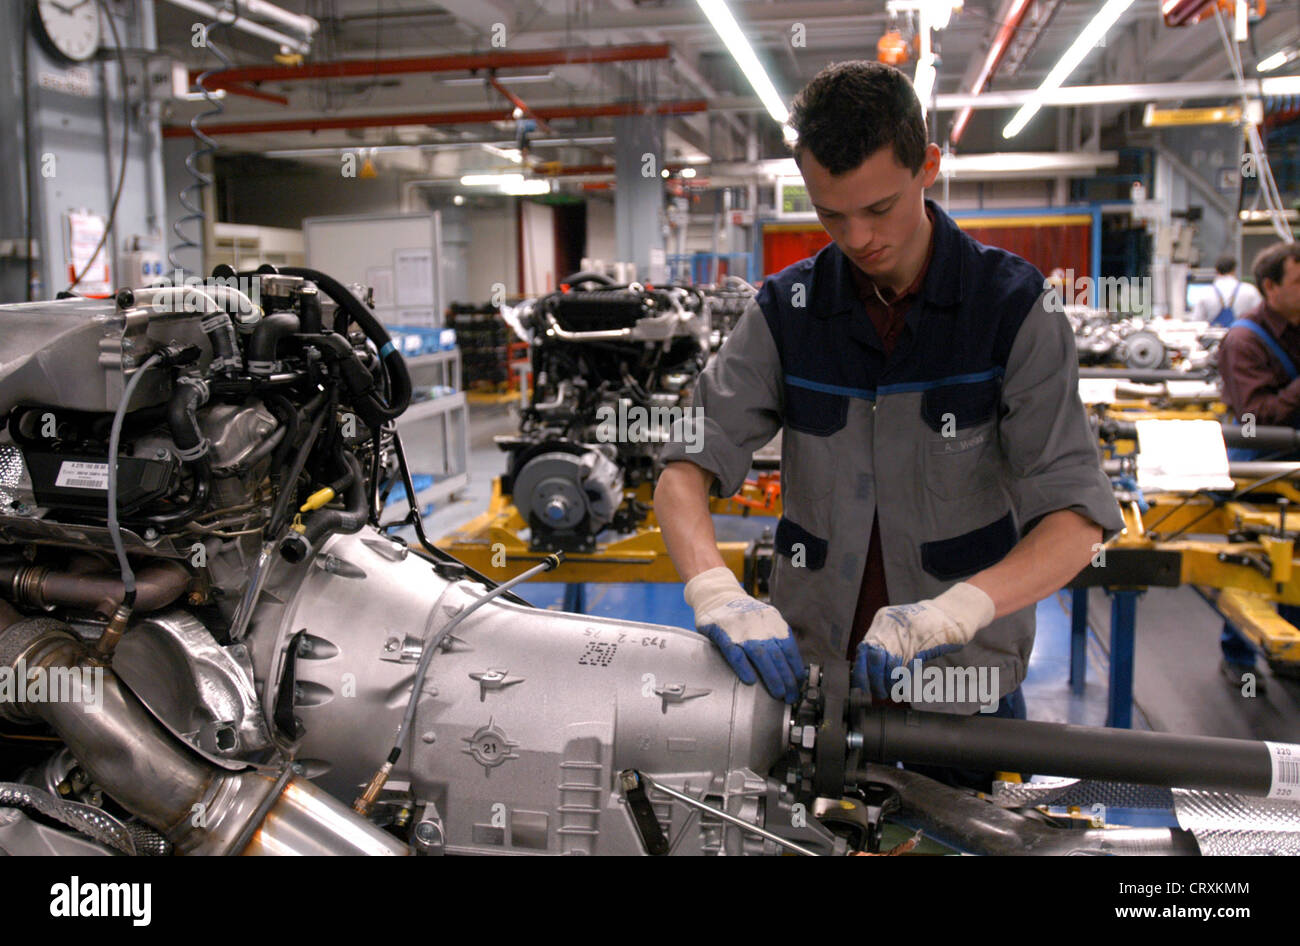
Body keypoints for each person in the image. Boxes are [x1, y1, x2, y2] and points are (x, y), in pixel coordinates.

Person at [654, 61, 1124, 738]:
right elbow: (684, 466)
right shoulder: (790, 310)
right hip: (813, 686)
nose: (857, 238)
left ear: (928, 165)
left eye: (879, 209)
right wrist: (714, 591)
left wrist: (952, 612)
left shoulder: (1013, 309)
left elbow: (1077, 522)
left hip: (961, 689)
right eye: (829, 214)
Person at [1213, 240, 1300, 690]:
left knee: (1295, 561)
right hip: (1259, 466)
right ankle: (1239, 657)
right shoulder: (1245, 339)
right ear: (1270, 287)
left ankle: (1288, 651)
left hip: (1295, 467)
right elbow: (1253, 417)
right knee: (1253, 560)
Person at [1192, 255, 1262, 326]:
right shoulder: (1250, 290)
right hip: (1242, 335)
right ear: (1234, 270)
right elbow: (1260, 317)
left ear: (1216, 271)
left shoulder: (1205, 293)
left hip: (1212, 336)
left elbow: (1197, 322)